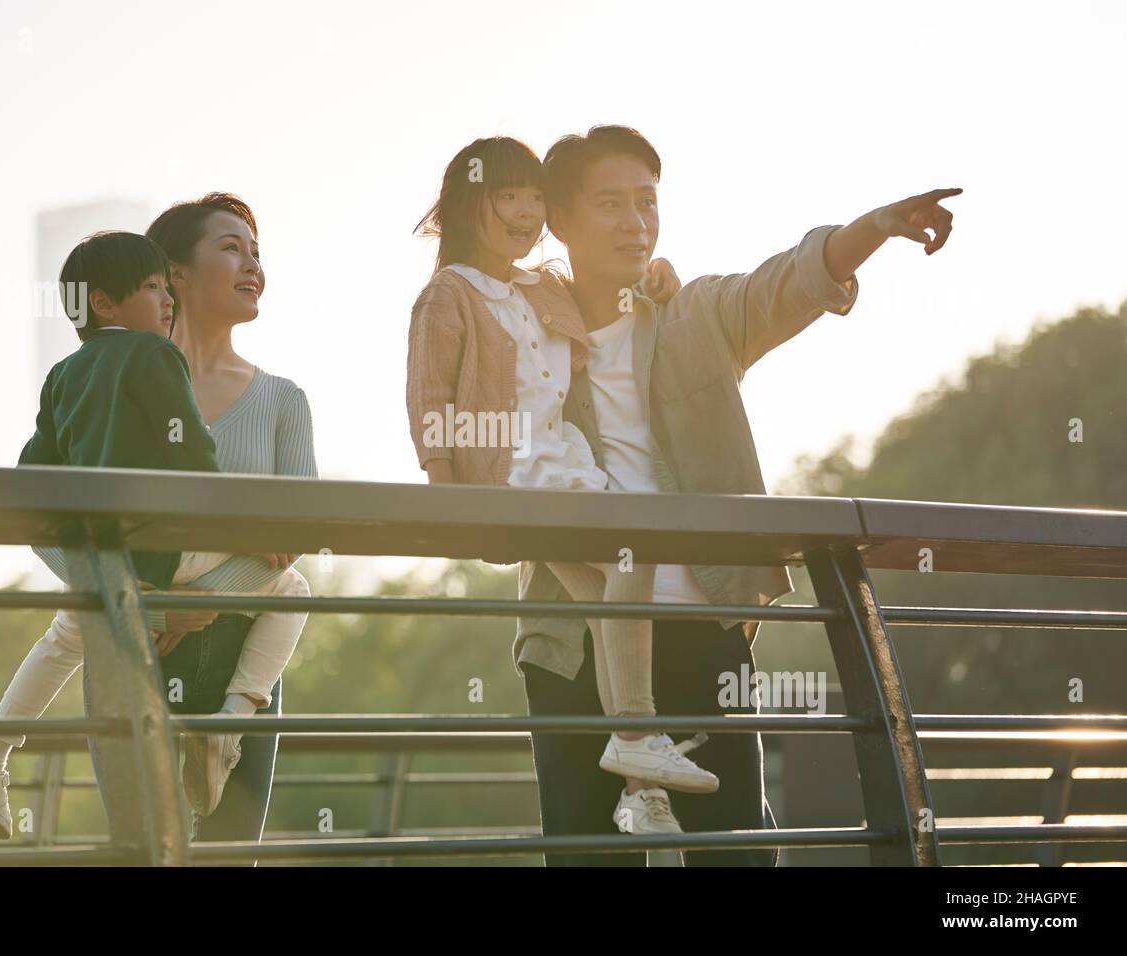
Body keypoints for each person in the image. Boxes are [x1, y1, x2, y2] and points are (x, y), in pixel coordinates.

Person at [516, 124, 960, 865]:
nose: (635, 221)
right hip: (573, 636)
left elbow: (787, 282)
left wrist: (873, 229)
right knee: (586, 853)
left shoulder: (697, 317)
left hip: (705, 627)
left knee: (738, 852)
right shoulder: (522, 331)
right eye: (611, 204)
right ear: (559, 220)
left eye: (647, 203)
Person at [0, 228, 309, 840]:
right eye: (151, 288)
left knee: (69, 631)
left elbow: (33, 476)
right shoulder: (154, 355)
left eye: (165, 289)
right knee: (292, 584)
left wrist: (108, 573)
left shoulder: (64, 374)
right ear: (105, 304)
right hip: (167, 551)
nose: (165, 300)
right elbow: (192, 453)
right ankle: (230, 723)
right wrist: (241, 526)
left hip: (111, 562)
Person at [407, 137, 714, 838]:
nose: (524, 212)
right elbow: (429, 402)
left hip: (562, 463)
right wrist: (451, 501)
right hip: (508, 472)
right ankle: (637, 739)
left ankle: (642, 791)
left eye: (534, 197)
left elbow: (617, 293)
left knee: (610, 594)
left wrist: (658, 277)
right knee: (630, 554)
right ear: (466, 204)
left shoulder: (543, 286)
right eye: (506, 196)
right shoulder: (447, 295)